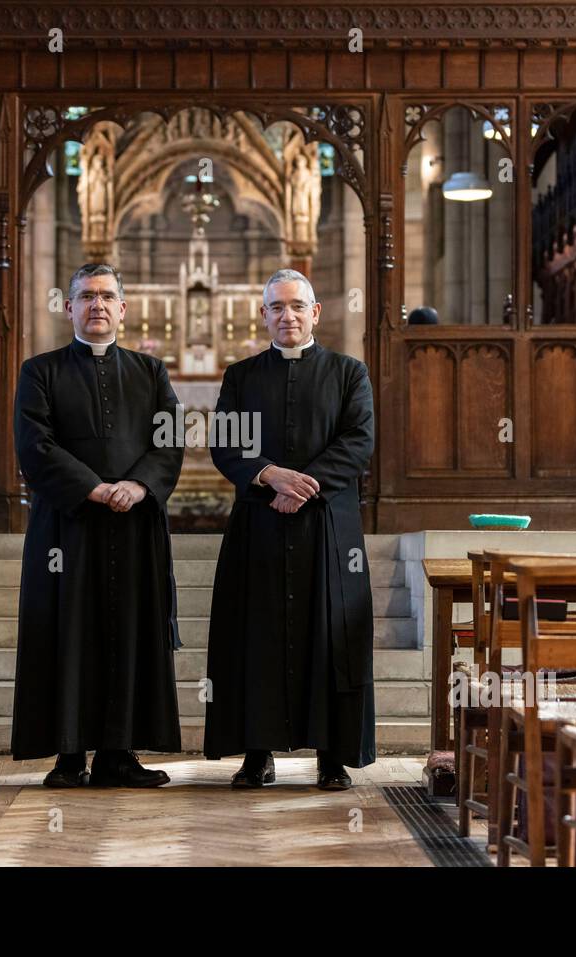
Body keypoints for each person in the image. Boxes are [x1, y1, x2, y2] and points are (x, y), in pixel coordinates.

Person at [11, 263, 184, 787]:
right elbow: (34, 444)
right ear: (69, 307)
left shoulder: (151, 373)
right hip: (67, 526)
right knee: (69, 633)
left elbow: (170, 438)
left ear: (123, 309)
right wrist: (93, 488)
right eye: (86, 296)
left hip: (134, 525)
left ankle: (118, 754)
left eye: (107, 296)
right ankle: (68, 757)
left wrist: (138, 487)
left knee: (129, 632)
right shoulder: (40, 372)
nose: (97, 305)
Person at [203, 268, 376, 790]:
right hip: (259, 524)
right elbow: (225, 445)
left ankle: (332, 755)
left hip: (328, 526)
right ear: (263, 316)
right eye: (276, 307)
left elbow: (358, 440)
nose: (288, 316)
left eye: (297, 306)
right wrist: (268, 475)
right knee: (254, 637)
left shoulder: (350, 373)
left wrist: (302, 485)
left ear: (316, 312)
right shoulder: (241, 376)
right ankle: (257, 754)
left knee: (331, 637)